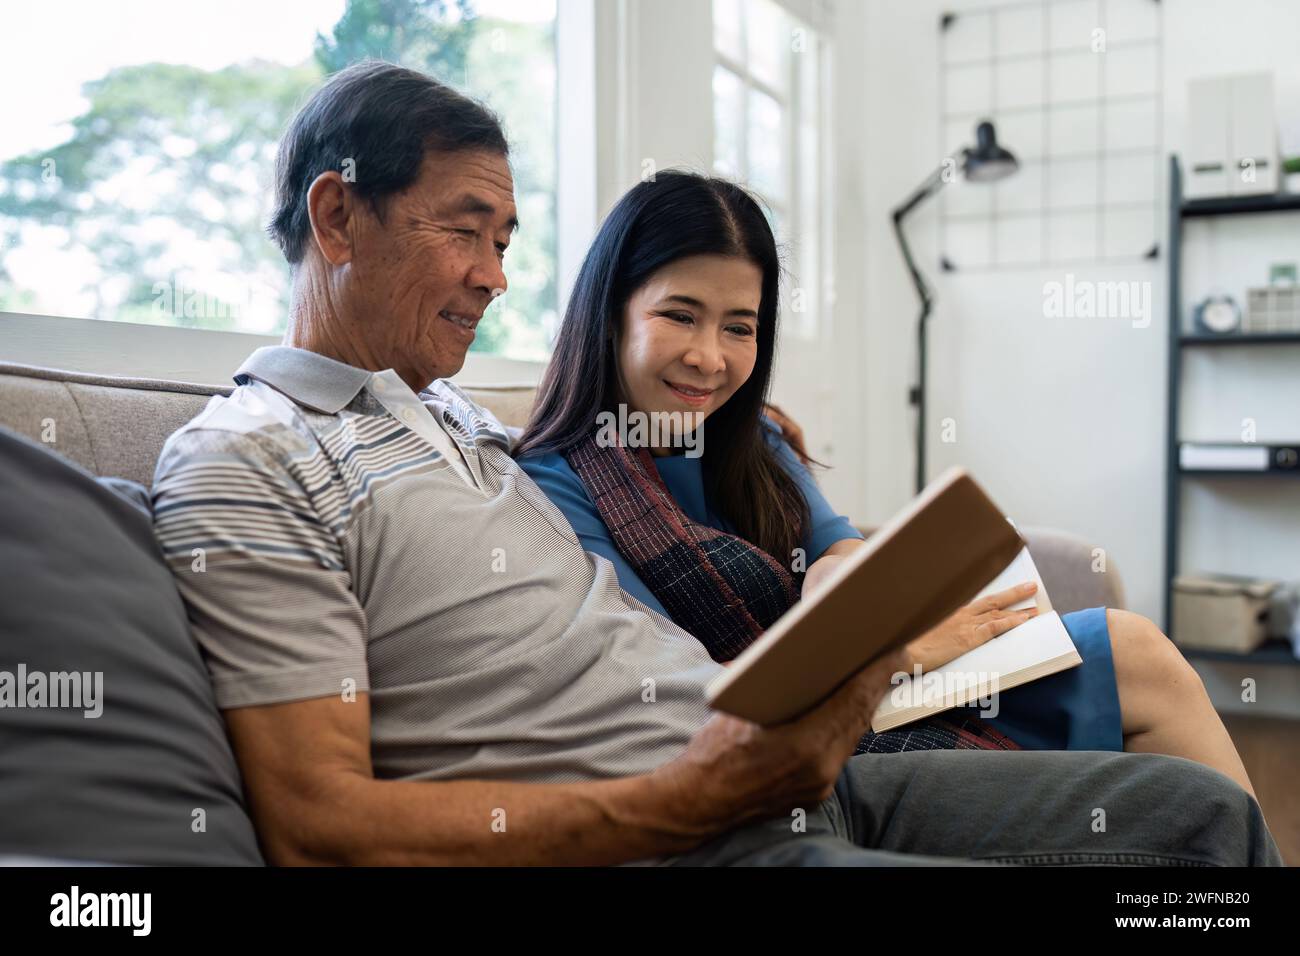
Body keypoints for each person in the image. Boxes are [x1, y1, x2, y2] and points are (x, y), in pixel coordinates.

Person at [150, 60, 1282, 866]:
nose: (495, 276)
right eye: (466, 227)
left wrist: (745, 439)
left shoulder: (464, 420)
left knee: (1201, 819)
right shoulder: (248, 459)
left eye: (506, 240)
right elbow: (320, 823)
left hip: (805, 776)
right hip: (689, 829)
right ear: (339, 215)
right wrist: (674, 802)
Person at [512, 172, 1261, 798]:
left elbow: (835, 545)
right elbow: (673, 685)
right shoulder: (556, 481)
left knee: (1136, 649)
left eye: (740, 327)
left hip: (883, 678)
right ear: (611, 315)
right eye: (681, 316)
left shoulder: (754, 437)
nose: (711, 358)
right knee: (1171, 777)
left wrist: (838, 596)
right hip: (791, 730)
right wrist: (892, 656)